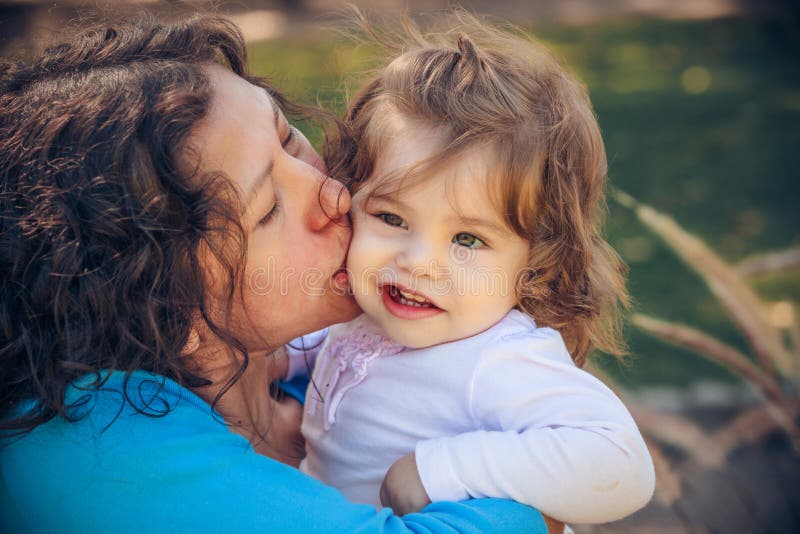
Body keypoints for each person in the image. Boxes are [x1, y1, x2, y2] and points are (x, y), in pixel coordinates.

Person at [0, 15, 548, 532]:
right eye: (267, 210)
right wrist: (532, 486)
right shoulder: (89, 441)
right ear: (161, 295)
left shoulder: (317, 367)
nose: (336, 195)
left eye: (289, 138)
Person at [294, 12, 656, 528]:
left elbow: (623, 463)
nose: (418, 261)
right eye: (391, 217)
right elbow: (332, 356)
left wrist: (441, 468)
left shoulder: (495, 359)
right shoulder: (367, 312)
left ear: (534, 260)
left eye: (468, 239)